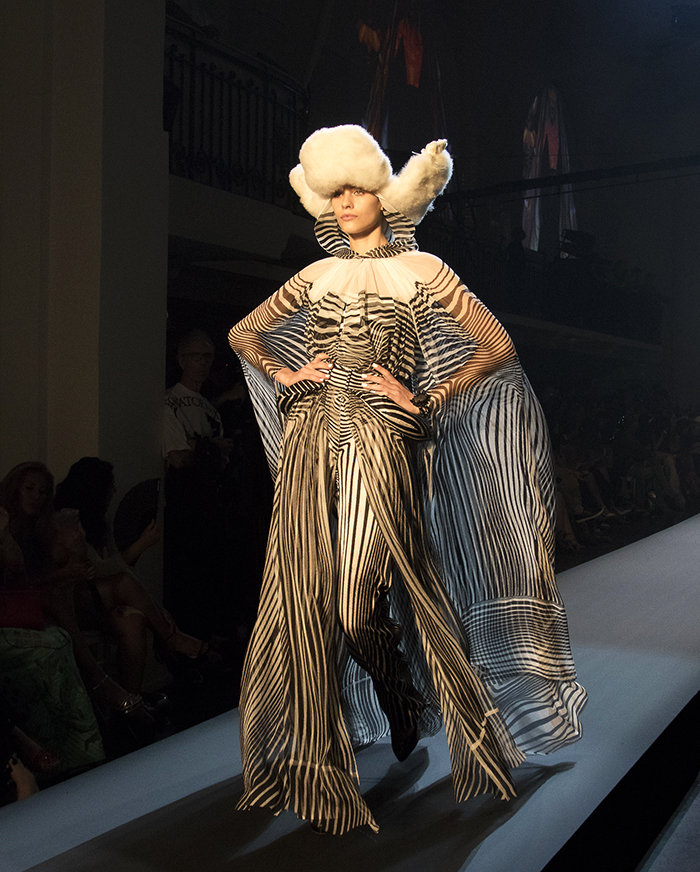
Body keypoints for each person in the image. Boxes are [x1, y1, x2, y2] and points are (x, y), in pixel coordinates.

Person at [228, 125, 586, 835]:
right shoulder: (314, 278)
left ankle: (402, 696)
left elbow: (495, 346)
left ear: (383, 196)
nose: (345, 203)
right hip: (311, 447)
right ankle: (377, 713)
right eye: (334, 193)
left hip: (382, 444)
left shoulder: (423, 270)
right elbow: (245, 334)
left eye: (356, 189)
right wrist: (289, 372)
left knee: (356, 602)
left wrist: (427, 395)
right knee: (306, 601)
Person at [163, 330, 233, 638]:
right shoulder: (169, 401)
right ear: (181, 360)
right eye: (196, 356)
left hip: (213, 499)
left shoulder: (209, 408)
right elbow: (177, 457)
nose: (202, 363)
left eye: (208, 357)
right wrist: (210, 449)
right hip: (186, 501)